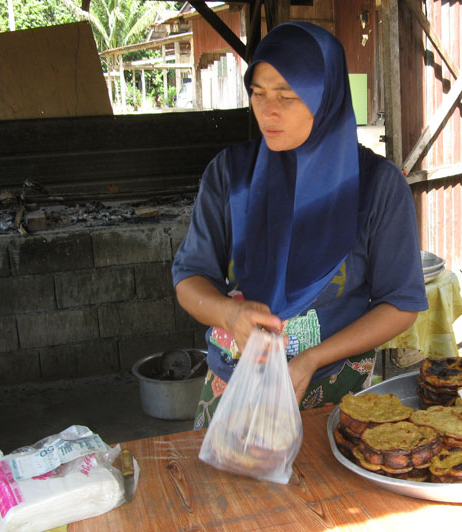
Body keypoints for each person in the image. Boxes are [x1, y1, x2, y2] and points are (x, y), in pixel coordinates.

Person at [172, 22, 428, 429]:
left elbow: (401, 304)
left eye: (287, 96)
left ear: (326, 97)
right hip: (235, 384)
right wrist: (228, 314)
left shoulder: (377, 186)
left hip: (336, 387)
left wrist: (312, 359)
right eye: (258, 93)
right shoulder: (230, 174)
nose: (267, 111)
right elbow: (189, 277)